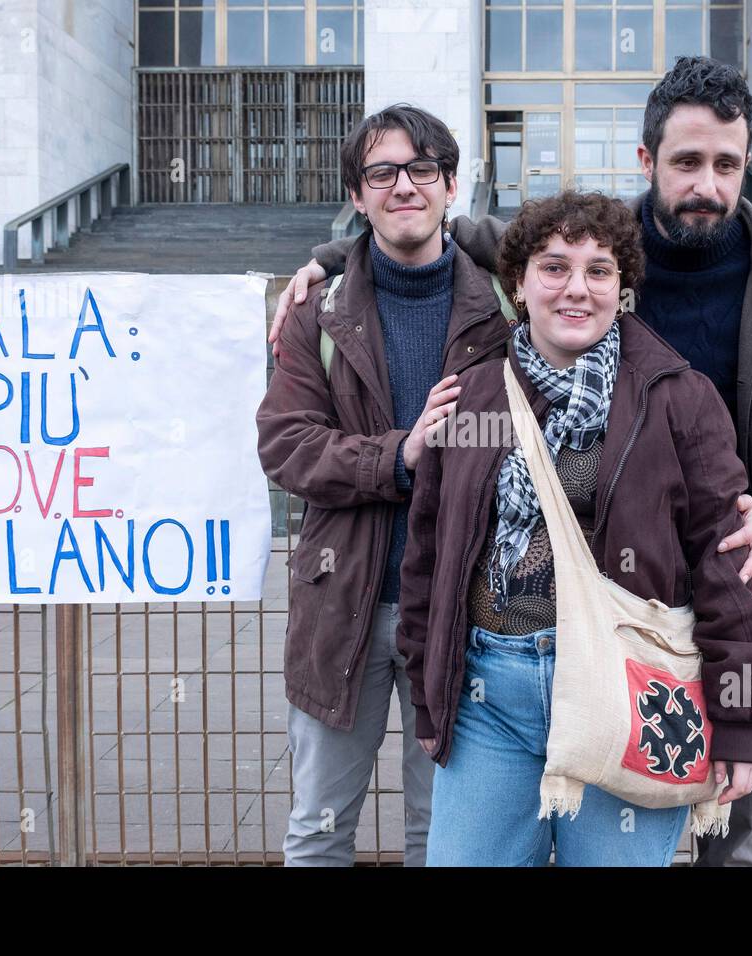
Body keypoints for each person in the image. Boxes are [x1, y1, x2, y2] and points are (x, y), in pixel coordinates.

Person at [271, 57, 752, 867]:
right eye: (687, 161)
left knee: (732, 837)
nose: (706, 183)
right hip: (517, 656)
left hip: (706, 594)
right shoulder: (503, 371)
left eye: (727, 165)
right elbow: (439, 229)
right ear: (647, 161)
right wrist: (334, 258)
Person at [396, 189, 752, 866]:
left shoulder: (676, 398)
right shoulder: (474, 393)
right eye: (554, 267)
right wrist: (430, 702)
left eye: (599, 270)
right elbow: (430, 554)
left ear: (623, 287)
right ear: (519, 282)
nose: (576, 289)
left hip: (629, 691)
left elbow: (727, 567)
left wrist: (742, 722)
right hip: (491, 697)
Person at [255, 104, 515, 865]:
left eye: (421, 169)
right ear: (358, 194)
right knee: (319, 827)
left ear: (452, 184)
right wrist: (400, 456)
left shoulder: (503, 299)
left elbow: (578, 251)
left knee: (443, 831)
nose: (404, 186)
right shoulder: (320, 310)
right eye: (381, 173)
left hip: (464, 606)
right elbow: (286, 445)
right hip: (346, 604)